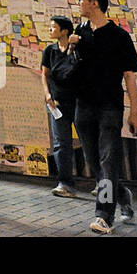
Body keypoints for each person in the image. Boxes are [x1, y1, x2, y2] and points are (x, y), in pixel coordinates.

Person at [69, 0, 137, 234]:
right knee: (96, 164)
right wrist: (71, 46)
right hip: (83, 105)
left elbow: (130, 75)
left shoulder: (119, 36)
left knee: (108, 161)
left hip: (110, 106)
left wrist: (135, 111)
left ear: (94, 3)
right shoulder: (80, 31)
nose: (78, 3)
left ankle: (104, 215)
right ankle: (121, 194)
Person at [40, 15, 80, 196]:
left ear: (64, 31)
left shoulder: (77, 48)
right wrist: (47, 94)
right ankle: (65, 183)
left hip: (79, 101)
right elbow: (44, 74)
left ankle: (100, 182)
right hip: (57, 103)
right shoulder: (50, 50)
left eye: (53, 27)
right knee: (60, 143)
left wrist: (74, 46)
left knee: (88, 142)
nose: (50, 29)